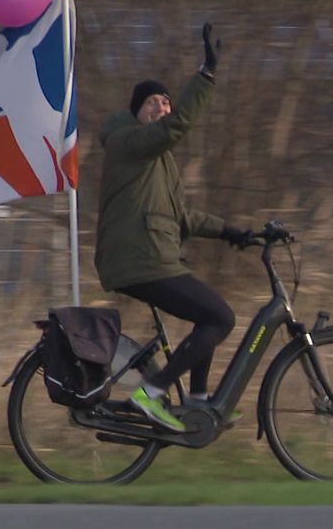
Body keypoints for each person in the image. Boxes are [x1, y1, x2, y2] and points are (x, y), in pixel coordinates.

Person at [93, 23, 253, 432]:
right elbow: (174, 128)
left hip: (152, 256)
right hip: (139, 259)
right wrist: (206, 75)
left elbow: (181, 217)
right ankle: (151, 392)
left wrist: (234, 232)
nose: (161, 108)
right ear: (136, 111)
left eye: (165, 102)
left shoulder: (158, 162)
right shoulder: (127, 143)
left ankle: (198, 406)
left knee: (209, 316)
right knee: (220, 318)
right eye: (152, 102)